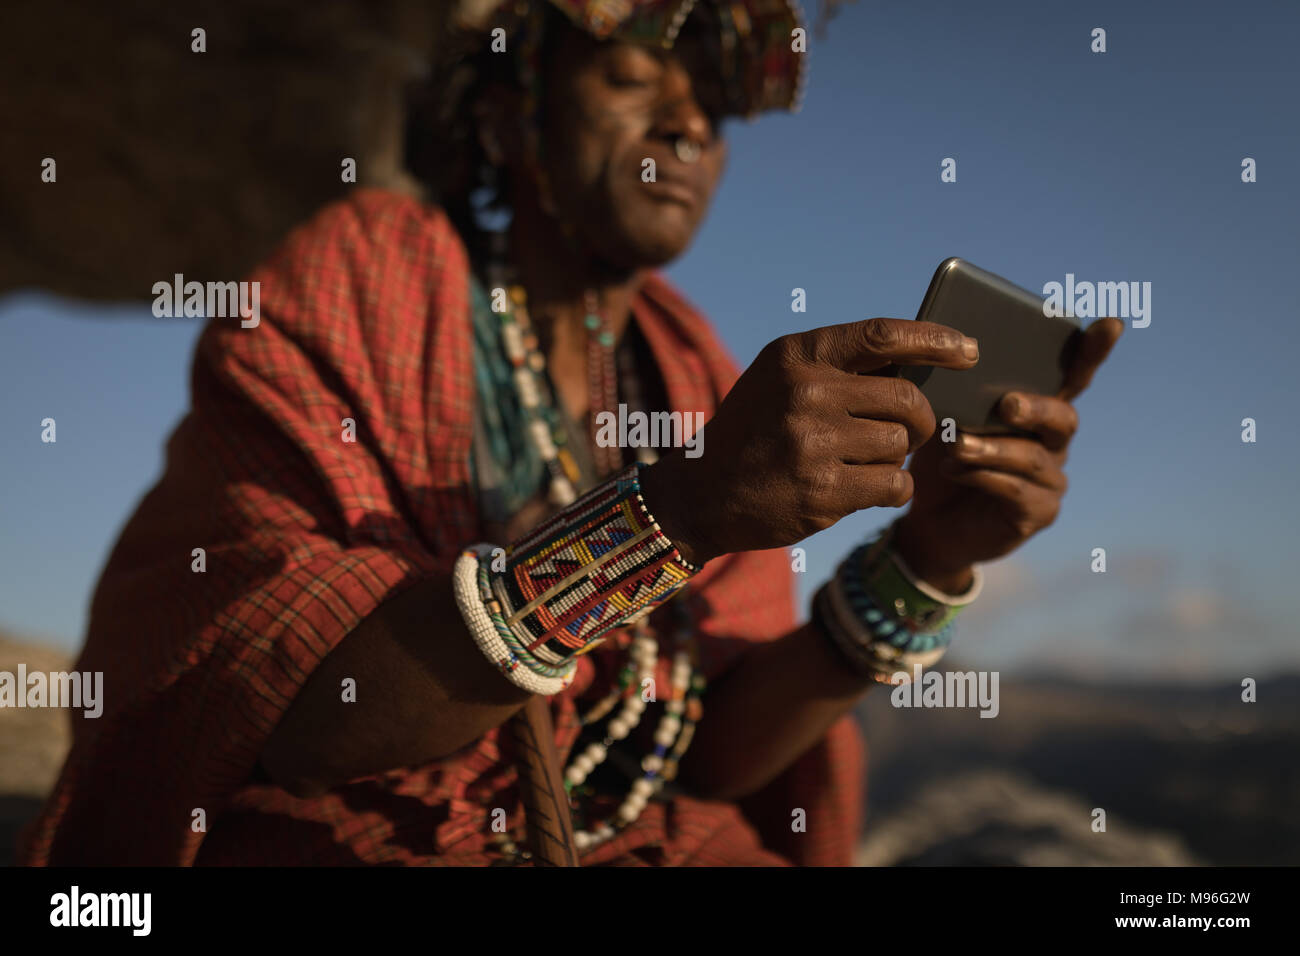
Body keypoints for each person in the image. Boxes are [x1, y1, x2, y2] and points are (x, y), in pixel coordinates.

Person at [20, 0, 1120, 866]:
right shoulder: (363, 274)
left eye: (713, 108)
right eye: (633, 76)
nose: (690, 125)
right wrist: (674, 514)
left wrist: (927, 557)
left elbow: (709, 753)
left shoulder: (686, 364)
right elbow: (304, 711)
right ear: (509, 116)